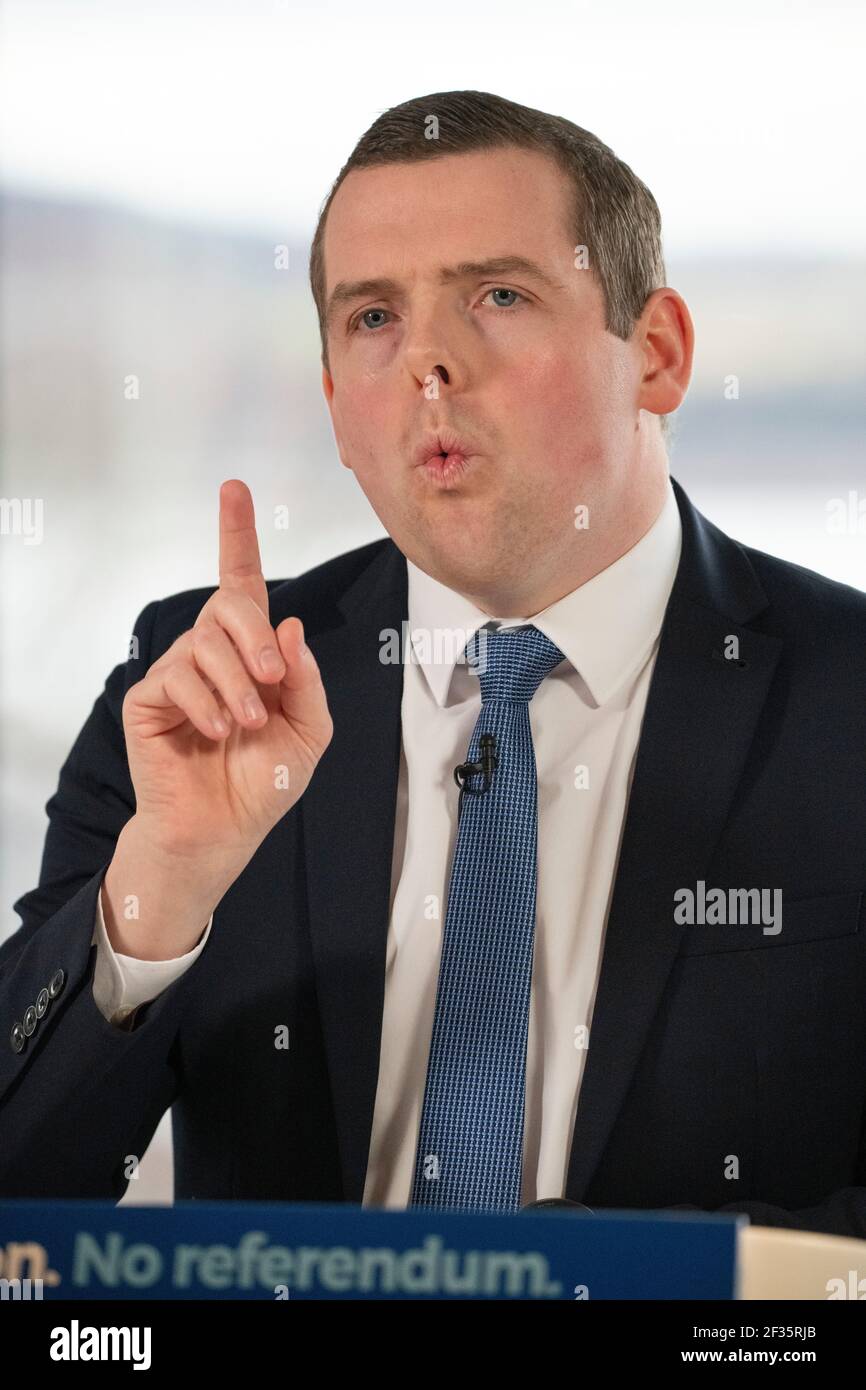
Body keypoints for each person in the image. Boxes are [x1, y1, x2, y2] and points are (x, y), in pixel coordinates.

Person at [2, 90, 865, 1234]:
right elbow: (24, 1192)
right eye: (372, 319)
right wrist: (161, 885)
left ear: (653, 354)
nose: (428, 366)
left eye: (497, 296)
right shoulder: (198, 684)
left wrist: (635, 1283)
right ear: (331, 402)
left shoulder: (845, 695)